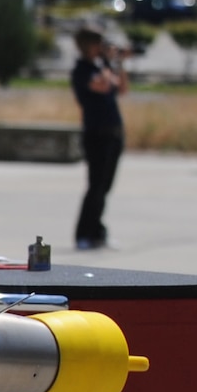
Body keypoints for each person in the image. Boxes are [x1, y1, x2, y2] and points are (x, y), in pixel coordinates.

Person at [71, 26, 127, 250]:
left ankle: (97, 231)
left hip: (114, 133)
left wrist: (119, 63)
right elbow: (103, 86)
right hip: (96, 135)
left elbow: (122, 88)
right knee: (95, 186)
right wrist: (107, 62)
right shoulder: (82, 70)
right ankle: (84, 233)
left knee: (105, 186)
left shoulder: (102, 67)